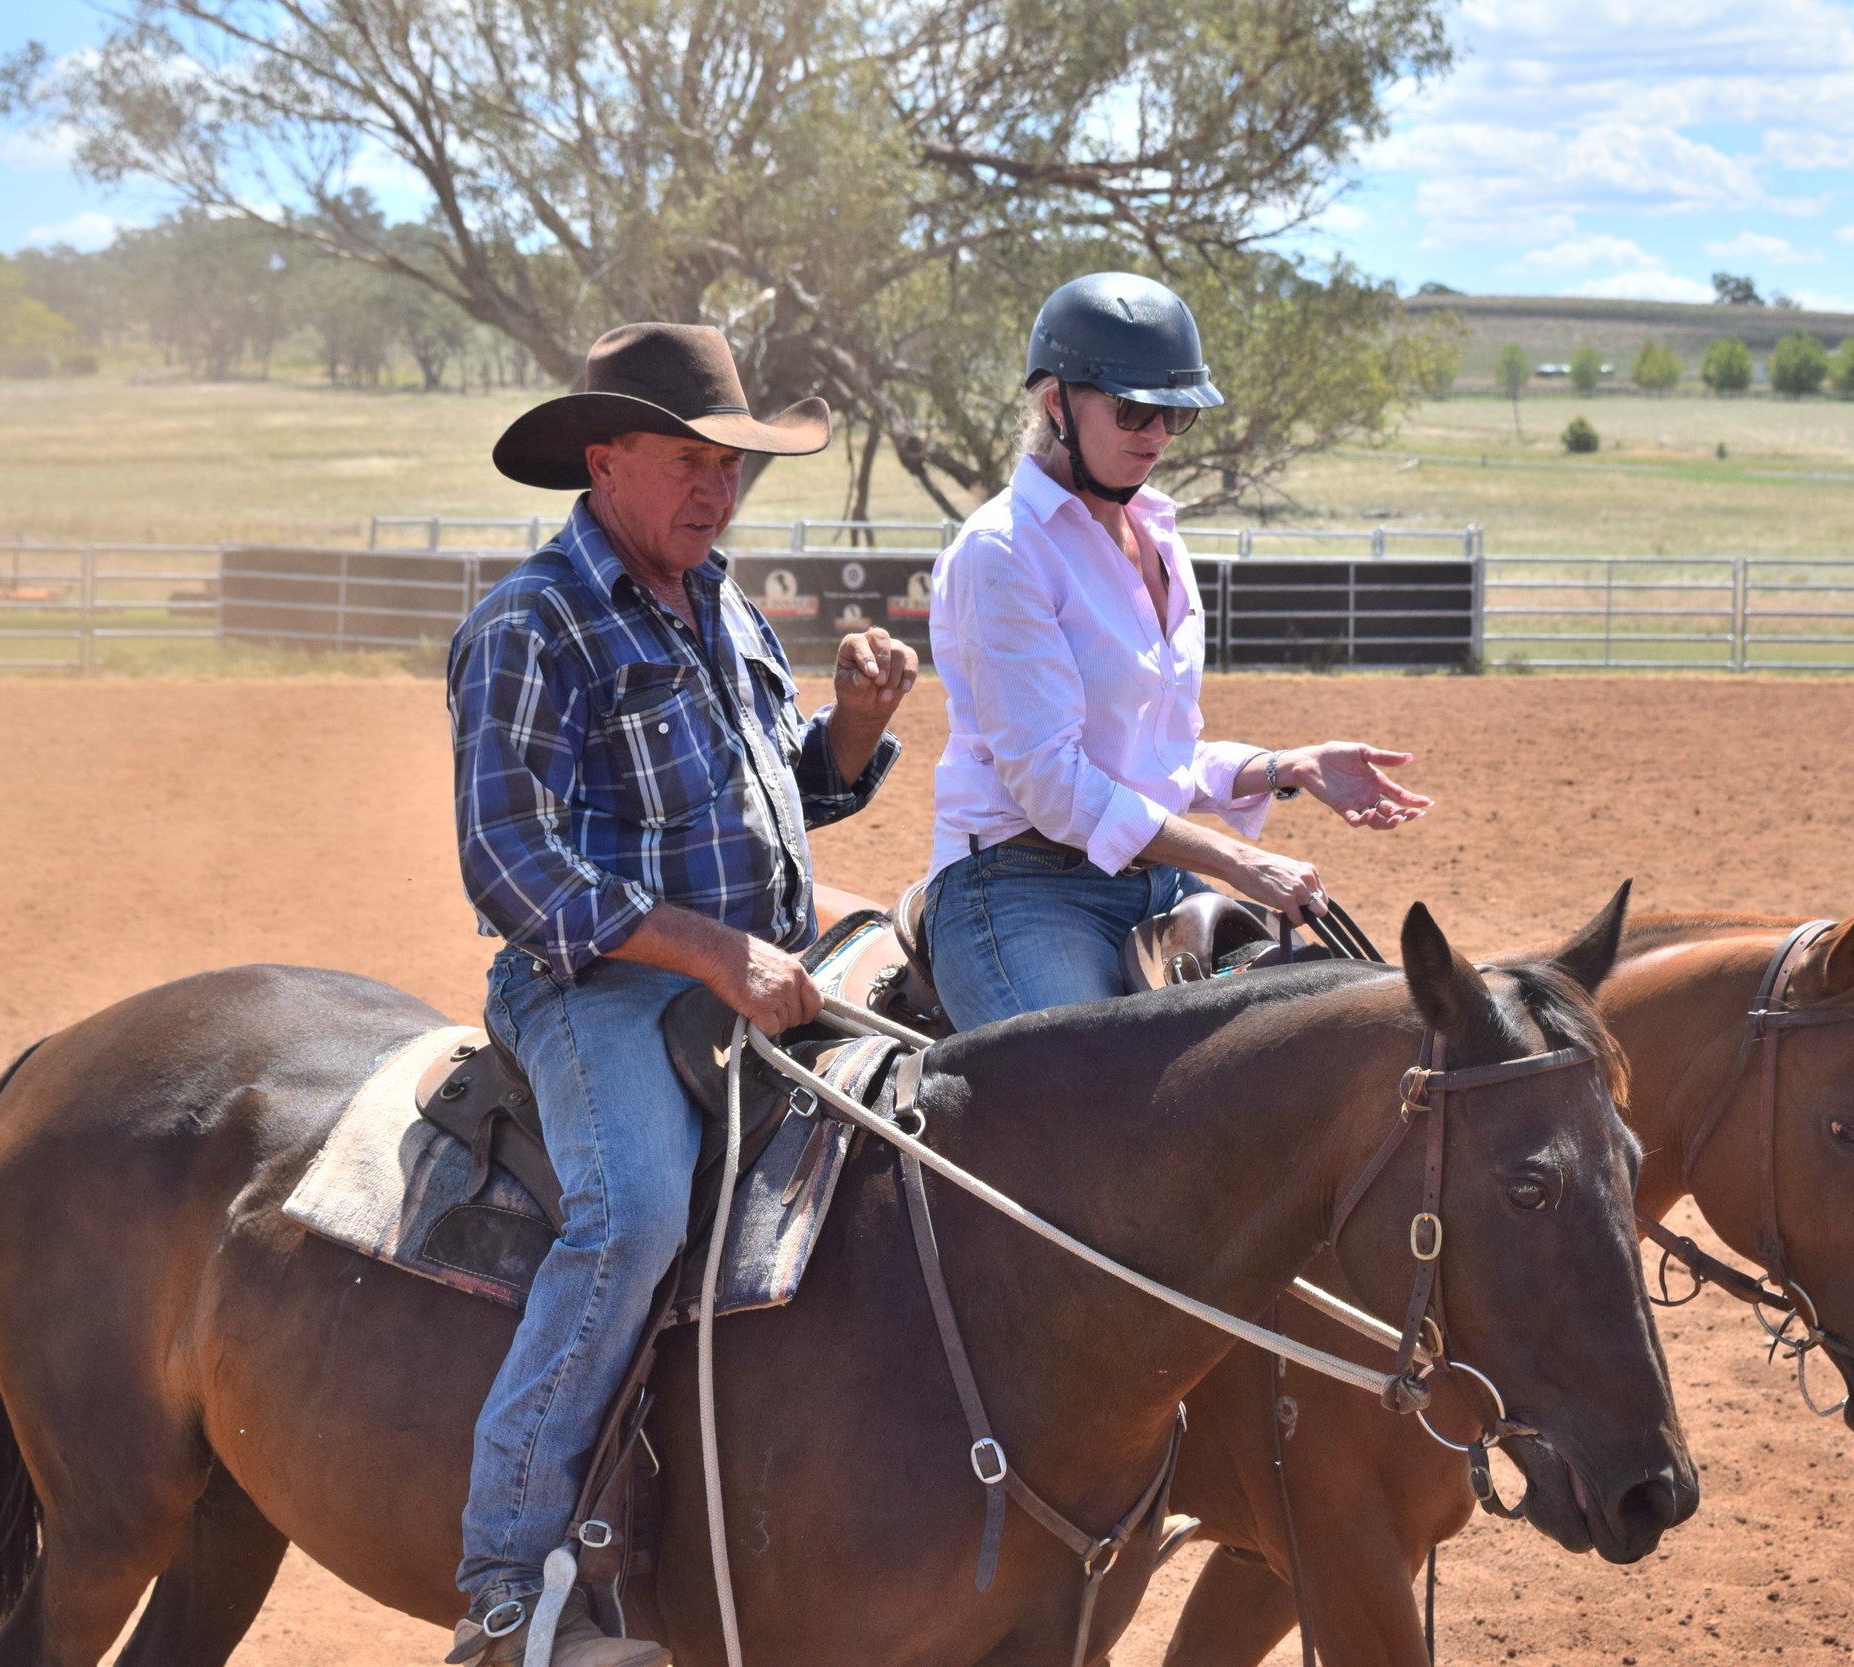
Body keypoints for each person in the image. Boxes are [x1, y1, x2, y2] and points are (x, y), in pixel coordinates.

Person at [445, 323, 920, 1666]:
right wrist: (711, 952)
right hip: (592, 986)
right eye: (685, 462)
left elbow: (782, 791)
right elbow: (509, 859)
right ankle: (507, 1588)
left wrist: (851, 733)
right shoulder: (531, 623)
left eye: (730, 467)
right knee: (634, 1206)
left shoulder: (725, 607)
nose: (713, 490)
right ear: (603, 462)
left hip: (760, 976)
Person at [922, 272, 1429, 1030]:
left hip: (1153, 880)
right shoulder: (1003, 551)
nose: (1155, 435)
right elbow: (1053, 783)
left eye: (1173, 415)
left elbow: (1153, 762)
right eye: (1132, 409)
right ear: (1057, 403)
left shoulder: (1160, 538)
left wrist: (1286, 765)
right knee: (1088, 1113)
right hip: (1018, 885)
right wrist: (1237, 860)